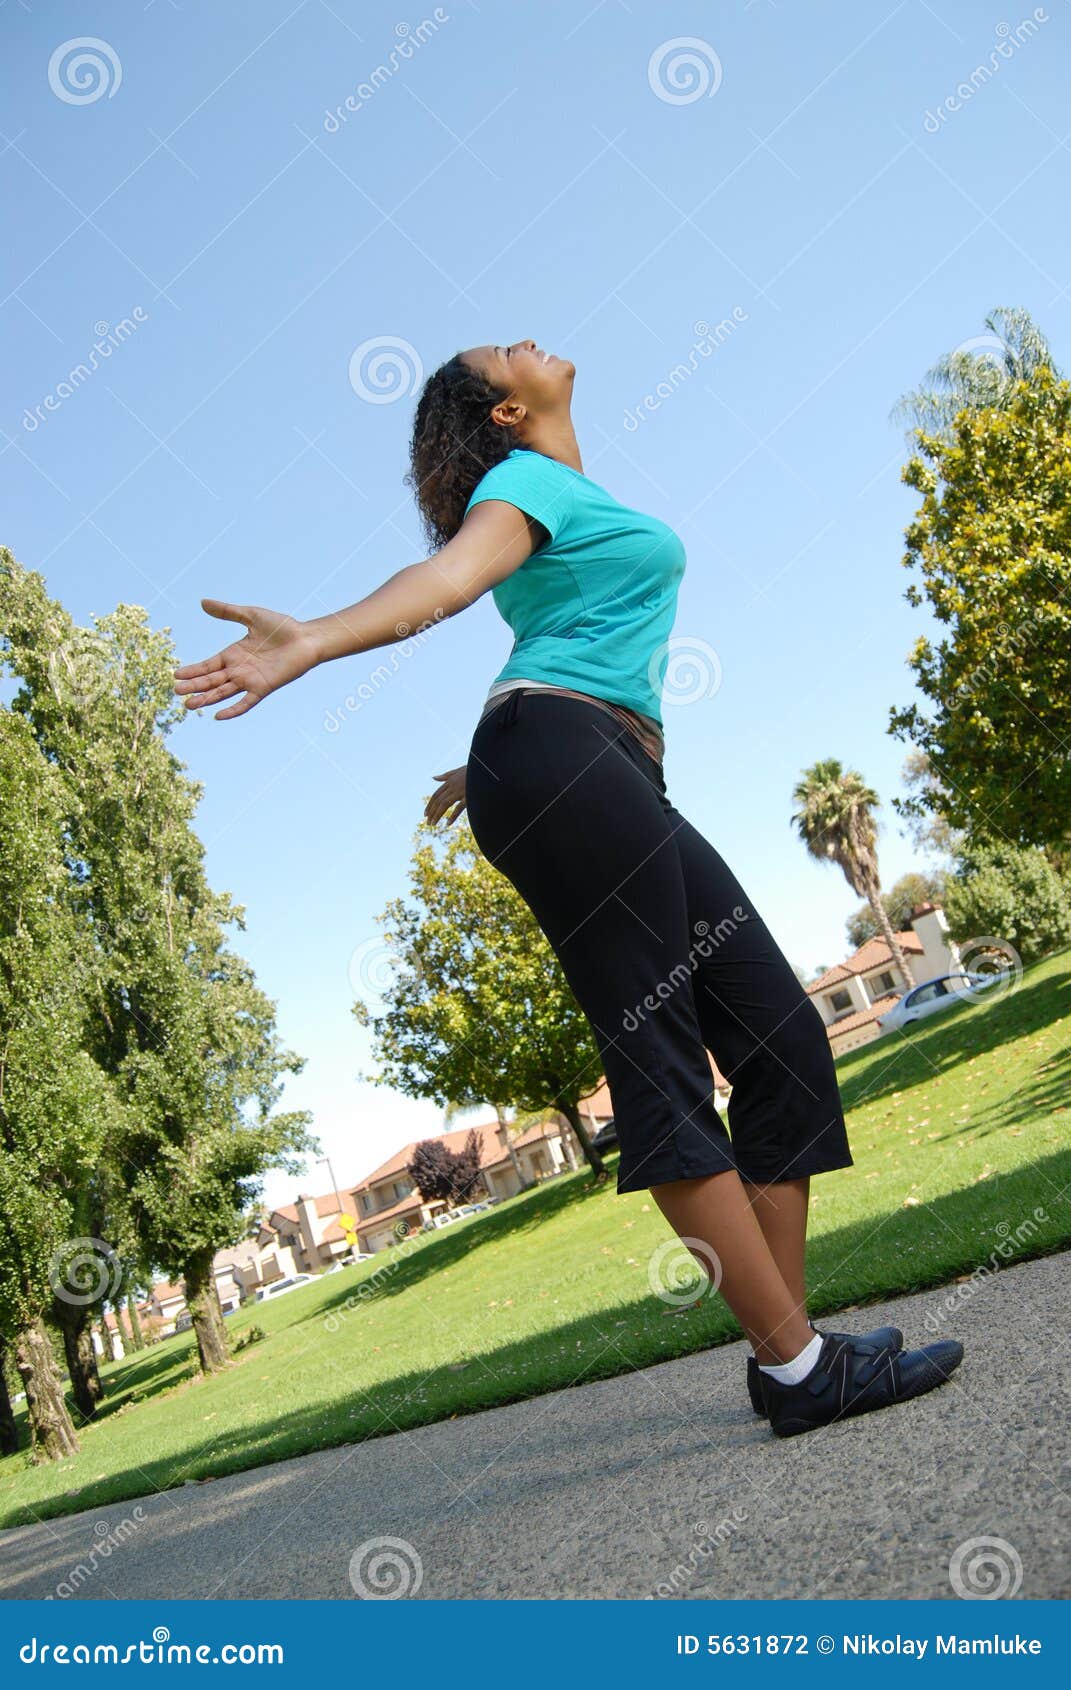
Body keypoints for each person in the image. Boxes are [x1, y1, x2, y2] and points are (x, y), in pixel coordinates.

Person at [174, 338, 963, 1437]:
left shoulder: (561, 492)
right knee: (663, 1058)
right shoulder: (522, 482)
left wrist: (495, 761)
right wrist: (312, 639)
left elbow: (556, 629)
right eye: (505, 352)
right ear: (502, 412)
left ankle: (792, 1356)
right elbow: (441, 585)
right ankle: (799, 1367)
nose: (530, 343)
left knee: (783, 1040)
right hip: (564, 752)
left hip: (587, 758)